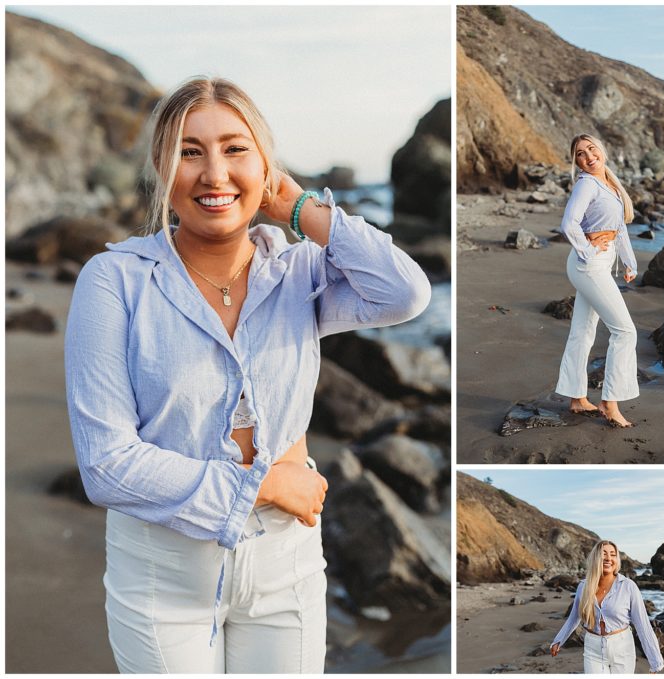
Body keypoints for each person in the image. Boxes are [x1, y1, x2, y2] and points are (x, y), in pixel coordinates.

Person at [64, 76, 431, 674]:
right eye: (190, 151)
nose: (214, 174)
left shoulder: (299, 272)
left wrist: (297, 207)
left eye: (236, 149)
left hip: (285, 562)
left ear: (266, 165)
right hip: (162, 569)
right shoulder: (115, 282)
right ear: (162, 168)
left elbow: (405, 292)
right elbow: (105, 465)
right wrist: (261, 486)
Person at [555, 134, 639, 428]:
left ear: (602, 150)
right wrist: (589, 249)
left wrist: (629, 261)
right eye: (580, 154)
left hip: (599, 261)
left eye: (591, 150)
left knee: (583, 331)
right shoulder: (587, 184)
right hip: (588, 264)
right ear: (576, 161)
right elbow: (569, 224)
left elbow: (619, 228)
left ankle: (577, 398)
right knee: (625, 332)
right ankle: (609, 401)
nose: (588, 157)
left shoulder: (610, 184)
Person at [550, 540, 664, 674]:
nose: (608, 558)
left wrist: (655, 661)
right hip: (593, 648)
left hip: (622, 648)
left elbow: (643, 625)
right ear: (595, 558)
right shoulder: (583, 587)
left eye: (612, 554)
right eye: (604, 553)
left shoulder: (628, 586)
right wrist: (558, 640)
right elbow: (574, 618)